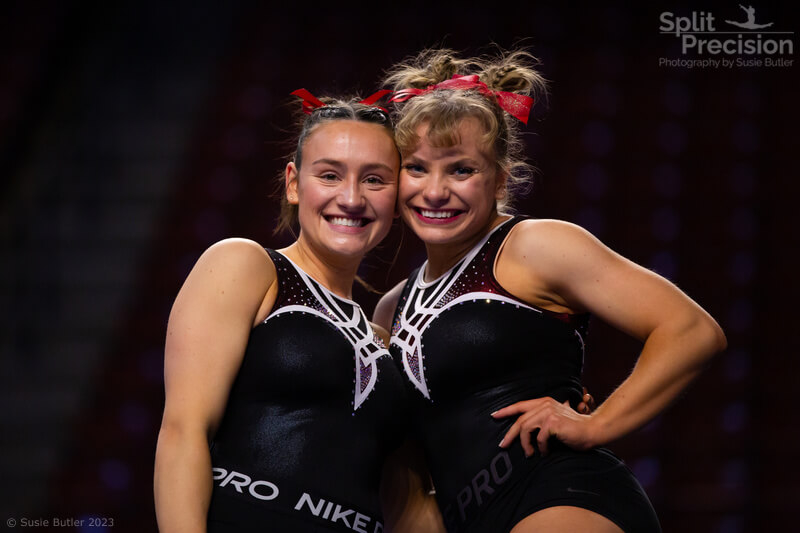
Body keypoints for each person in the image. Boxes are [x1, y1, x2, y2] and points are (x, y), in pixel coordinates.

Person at [373, 48, 727, 533]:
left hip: (558, 493)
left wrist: (598, 423)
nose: (435, 191)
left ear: (500, 179)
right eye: (416, 168)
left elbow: (691, 331)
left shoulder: (533, 246)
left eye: (461, 170)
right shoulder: (391, 308)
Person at [154, 93, 417, 532]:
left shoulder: (386, 339)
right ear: (294, 183)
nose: (351, 198)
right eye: (330, 175)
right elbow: (184, 432)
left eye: (374, 179)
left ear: (398, 195)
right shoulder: (247, 267)